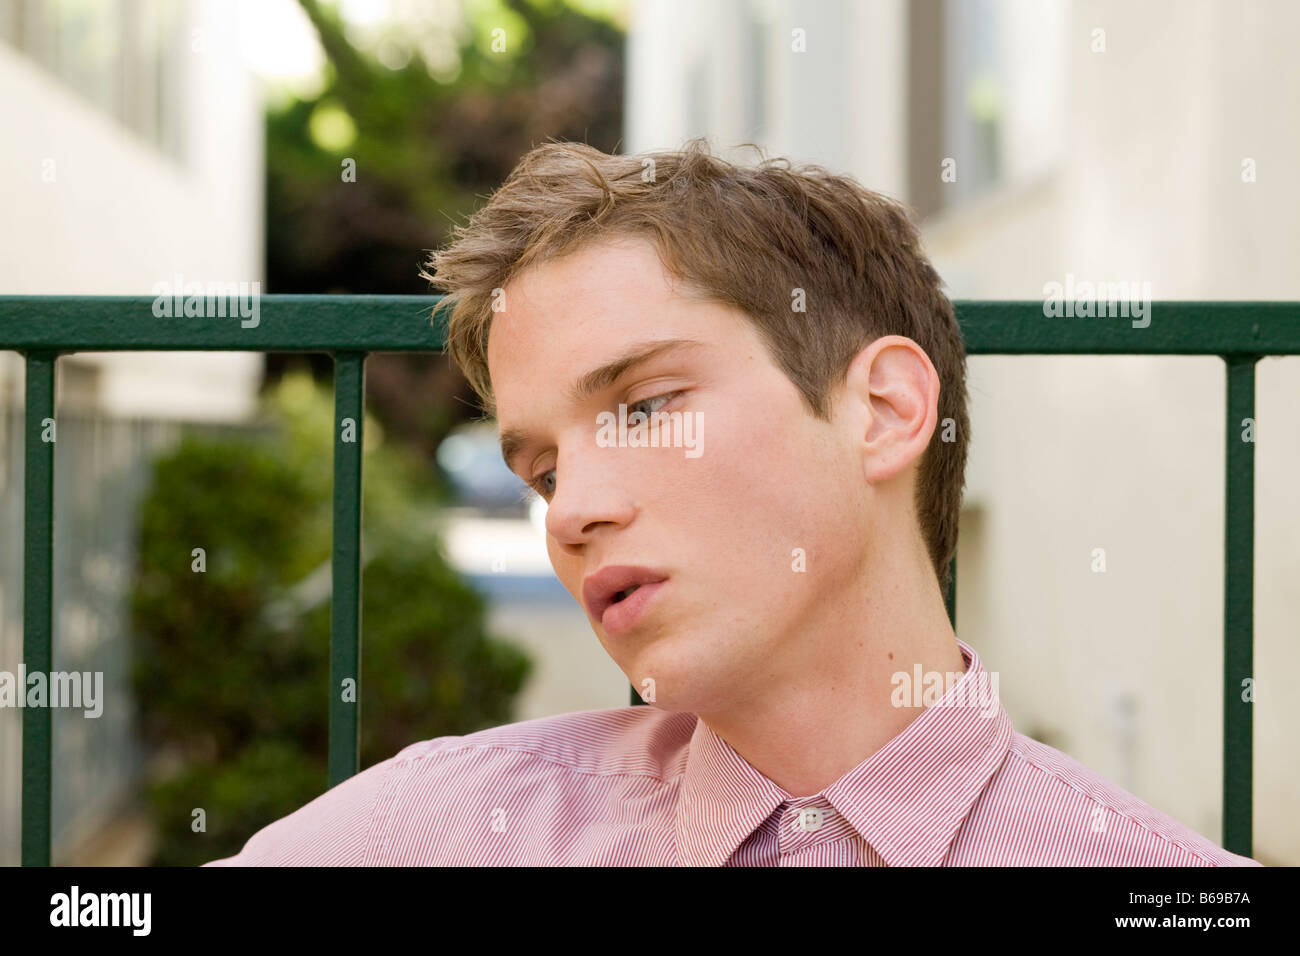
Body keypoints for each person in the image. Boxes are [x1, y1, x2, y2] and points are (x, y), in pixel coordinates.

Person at [205, 139, 1260, 866]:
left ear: (884, 411)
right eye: (543, 470)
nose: (570, 512)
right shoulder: (434, 827)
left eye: (645, 404)